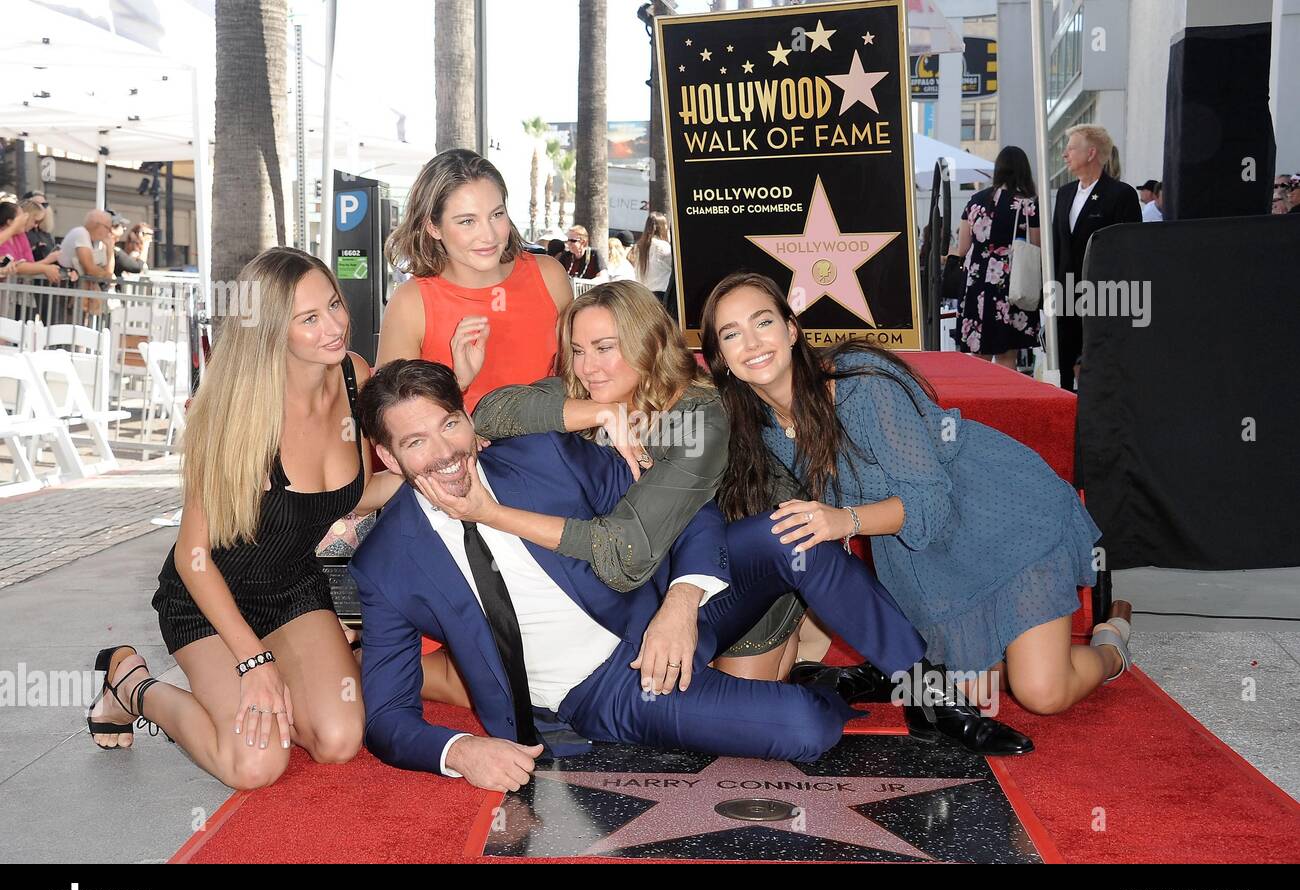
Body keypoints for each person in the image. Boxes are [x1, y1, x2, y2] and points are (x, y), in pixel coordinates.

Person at [350, 359, 1024, 792]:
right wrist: (462, 748)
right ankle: (821, 689)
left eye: (448, 427)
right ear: (386, 453)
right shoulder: (388, 563)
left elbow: (684, 501)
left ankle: (925, 688)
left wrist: (681, 597)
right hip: (610, 687)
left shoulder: (545, 459)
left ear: (468, 420)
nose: (443, 454)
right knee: (805, 732)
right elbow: (385, 715)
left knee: (793, 531)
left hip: (670, 607)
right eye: (415, 442)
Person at [700, 272, 1131, 727]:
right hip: (924, 556)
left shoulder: (861, 383)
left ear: (791, 330)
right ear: (721, 358)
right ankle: (1008, 650)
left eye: (762, 322)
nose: (752, 342)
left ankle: (1111, 645)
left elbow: (930, 506)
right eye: (732, 334)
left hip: (1002, 517)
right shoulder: (756, 428)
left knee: (1042, 691)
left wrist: (843, 520)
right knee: (954, 690)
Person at [84, 247, 404, 790]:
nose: (333, 326)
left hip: (292, 589)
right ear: (271, 332)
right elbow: (193, 557)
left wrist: (423, 471)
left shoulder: (353, 377)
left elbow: (339, 499)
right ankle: (132, 685)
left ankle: (271, 691)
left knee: (339, 739)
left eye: (333, 304)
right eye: (309, 319)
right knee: (256, 765)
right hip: (209, 601)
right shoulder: (235, 416)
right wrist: (253, 661)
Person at [452, 280, 801, 687]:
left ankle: (805, 645)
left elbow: (625, 556)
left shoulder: (698, 415)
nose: (587, 367)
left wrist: (496, 515)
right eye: (578, 351)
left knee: (746, 723)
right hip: (659, 576)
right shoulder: (596, 390)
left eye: (604, 348)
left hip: (742, 574)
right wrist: (599, 413)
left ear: (649, 344)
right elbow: (490, 412)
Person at [377, 149, 572, 412]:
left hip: (555, 447)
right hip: (461, 453)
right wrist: (456, 390)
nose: (489, 235)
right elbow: (392, 415)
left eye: (496, 215)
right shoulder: (411, 304)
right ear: (433, 227)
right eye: (468, 221)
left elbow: (578, 377)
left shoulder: (550, 276)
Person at [1051, 124, 1142, 392]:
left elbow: (1130, 249)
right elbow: (1058, 245)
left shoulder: (1121, 195)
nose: (1065, 155)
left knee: (1100, 364)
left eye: (1071, 148)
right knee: (1063, 361)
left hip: (1104, 293)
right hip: (1065, 291)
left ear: (1091, 153)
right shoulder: (1065, 193)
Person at [949, 146, 1041, 369]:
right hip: (1010, 281)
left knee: (979, 355)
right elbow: (1037, 245)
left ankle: (979, 401)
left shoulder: (975, 201)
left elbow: (962, 248)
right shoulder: (1027, 204)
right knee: (1007, 355)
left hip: (977, 282)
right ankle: (1006, 402)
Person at [0, 202, 65, 283]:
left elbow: (24, 264)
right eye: (22, 218)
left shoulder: (20, 236)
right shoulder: (5, 237)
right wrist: (45, 266)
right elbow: (8, 265)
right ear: (10, 222)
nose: (25, 220)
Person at [631, 211, 673, 302]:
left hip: (644, 294)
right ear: (663, 227)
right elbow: (675, 267)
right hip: (661, 294)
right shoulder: (663, 247)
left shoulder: (639, 247)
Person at [21, 192, 56, 262]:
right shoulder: (22, 232)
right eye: (36, 204)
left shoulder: (46, 234)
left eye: (44, 204)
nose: (41, 207)